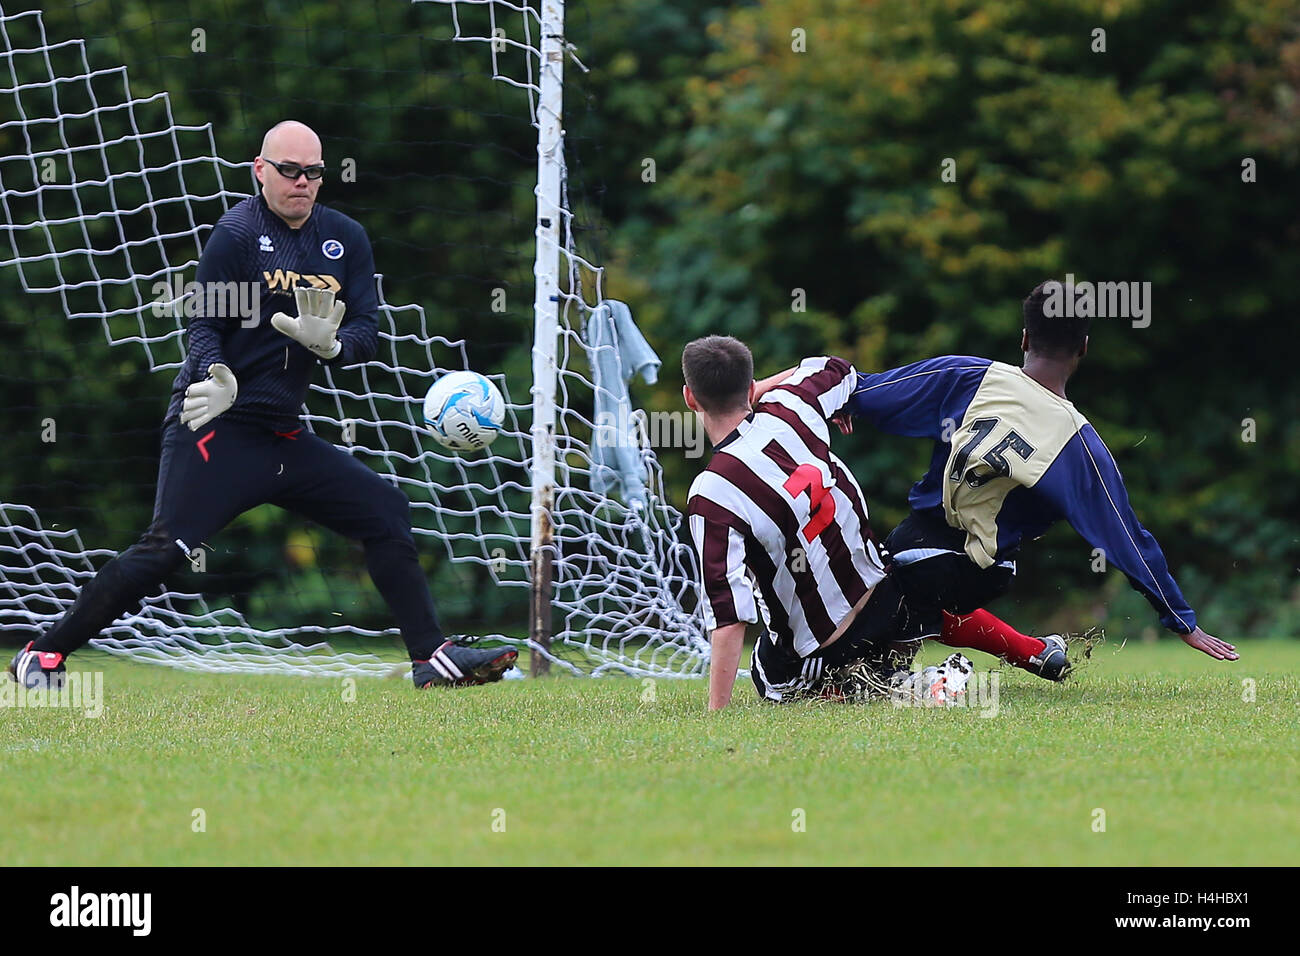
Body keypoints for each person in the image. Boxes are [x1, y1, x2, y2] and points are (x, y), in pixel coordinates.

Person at [9, 120, 515, 691]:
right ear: (260, 170)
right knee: (163, 553)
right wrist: (217, 375)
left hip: (281, 434)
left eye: (314, 172)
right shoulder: (238, 235)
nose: (302, 182)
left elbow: (368, 333)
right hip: (216, 424)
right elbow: (204, 326)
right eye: (289, 170)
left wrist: (334, 345)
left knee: (386, 511)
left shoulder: (344, 238)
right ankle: (42, 654)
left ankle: (432, 658)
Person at [828, 279, 1238, 674]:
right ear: (1084, 348)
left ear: (1024, 338)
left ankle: (883, 668)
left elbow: (869, 390)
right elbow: (1126, 538)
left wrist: (848, 402)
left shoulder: (970, 376)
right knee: (903, 600)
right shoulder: (1079, 443)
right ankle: (1035, 653)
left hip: (924, 549)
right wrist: (1180, 619)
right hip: (984, 573)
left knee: (872, 597)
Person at [682, 335, 1027, 710]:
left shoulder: (712, 492)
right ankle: (904, 672)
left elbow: (730, 614)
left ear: (690, 398)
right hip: (888, 601)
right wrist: (762, 391)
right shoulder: (790, 407)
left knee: (768, 674)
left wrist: (717, 711)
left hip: (827, 650)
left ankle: (885, 686)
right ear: (750, 387)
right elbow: (834, 368)